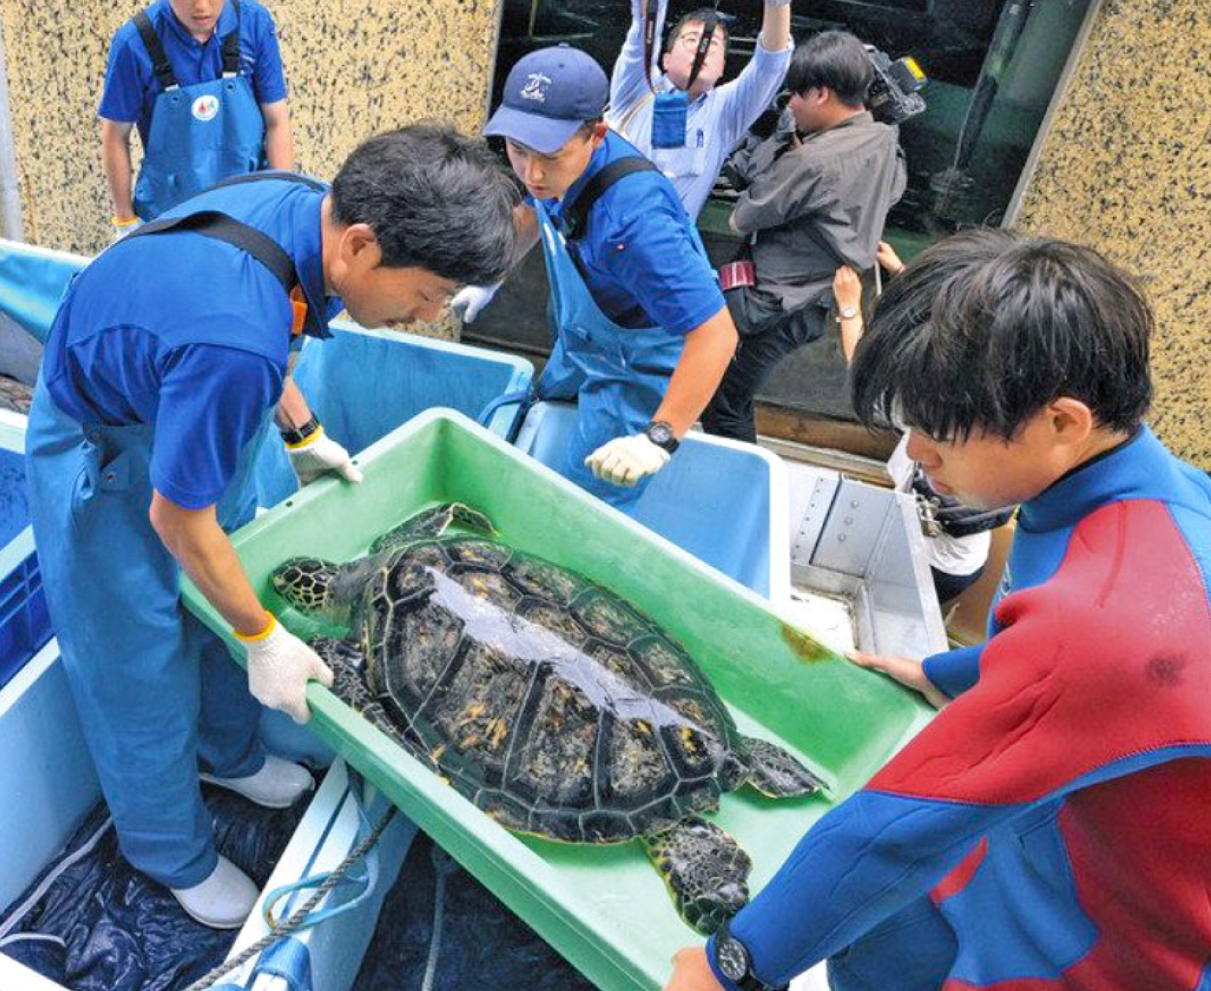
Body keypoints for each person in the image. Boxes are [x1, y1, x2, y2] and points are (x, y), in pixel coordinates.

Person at [662, 229, 1211, 991]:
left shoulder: (1108, 621)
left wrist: (736, 963)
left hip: (1093, 943)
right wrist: (946, 670)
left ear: (1062, 422)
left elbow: (894, 830)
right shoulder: (1167, 496)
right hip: (1038, 849)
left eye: (942, 432)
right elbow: (1075, 676)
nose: (916, 452)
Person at [26, 125, 517, 930]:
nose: (428, 315)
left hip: (193, 381)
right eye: (427, 293)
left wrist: (299, 428)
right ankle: (167, 850)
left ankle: (229, 755)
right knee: (138, 655)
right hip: (106, 440)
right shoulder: (233, 340)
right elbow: (176, 516)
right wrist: (261, 637)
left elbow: (283, 317)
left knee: (240, 577)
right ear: (360, 243)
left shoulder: (304, 208)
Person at [456, 45, 738, 510]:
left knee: (586, 497)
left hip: (636, 368)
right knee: (541, 409)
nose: (532, 171)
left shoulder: (637, 223)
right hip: (581, 338)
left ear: (596, 134)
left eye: (549, 154)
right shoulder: (551, 173)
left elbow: (715, 335)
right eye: (518, 150)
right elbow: (533, 209)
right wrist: (492, 273)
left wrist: (658, 438)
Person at [700, 31, 906, 443]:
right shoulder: (886, 137)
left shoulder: (812, 162)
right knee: (729, 400)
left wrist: (784, 155)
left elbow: (740, 218)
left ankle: (740, 493)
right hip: (812, 305)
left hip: (775, 307)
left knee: (723, 407)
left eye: (796, 94)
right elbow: (894, 189)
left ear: (822, 95)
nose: (789, 105)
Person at [833, 244, 1014, 606]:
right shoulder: (988, 394)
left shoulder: (930, 411)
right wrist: (901, 271)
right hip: (966, 562)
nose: (917, 445)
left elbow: (862, 372)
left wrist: (849, 307)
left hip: (932, 563)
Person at [99, 0, 294, 235]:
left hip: (247, 209)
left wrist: (282, 202)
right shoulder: (133, 43)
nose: (202, 6)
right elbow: (115, 135)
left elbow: (277, 122)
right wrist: (125, 221)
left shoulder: (254, 24)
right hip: (170, 218)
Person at [607, 0, 792, 218]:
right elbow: (646, 21)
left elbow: (770, 64)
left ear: (722, 67)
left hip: (665, 246)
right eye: (691, 39)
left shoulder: (726, 113)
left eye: (712, 44)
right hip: (606, 236)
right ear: (666, 59)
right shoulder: (637, 86)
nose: (701, 48)